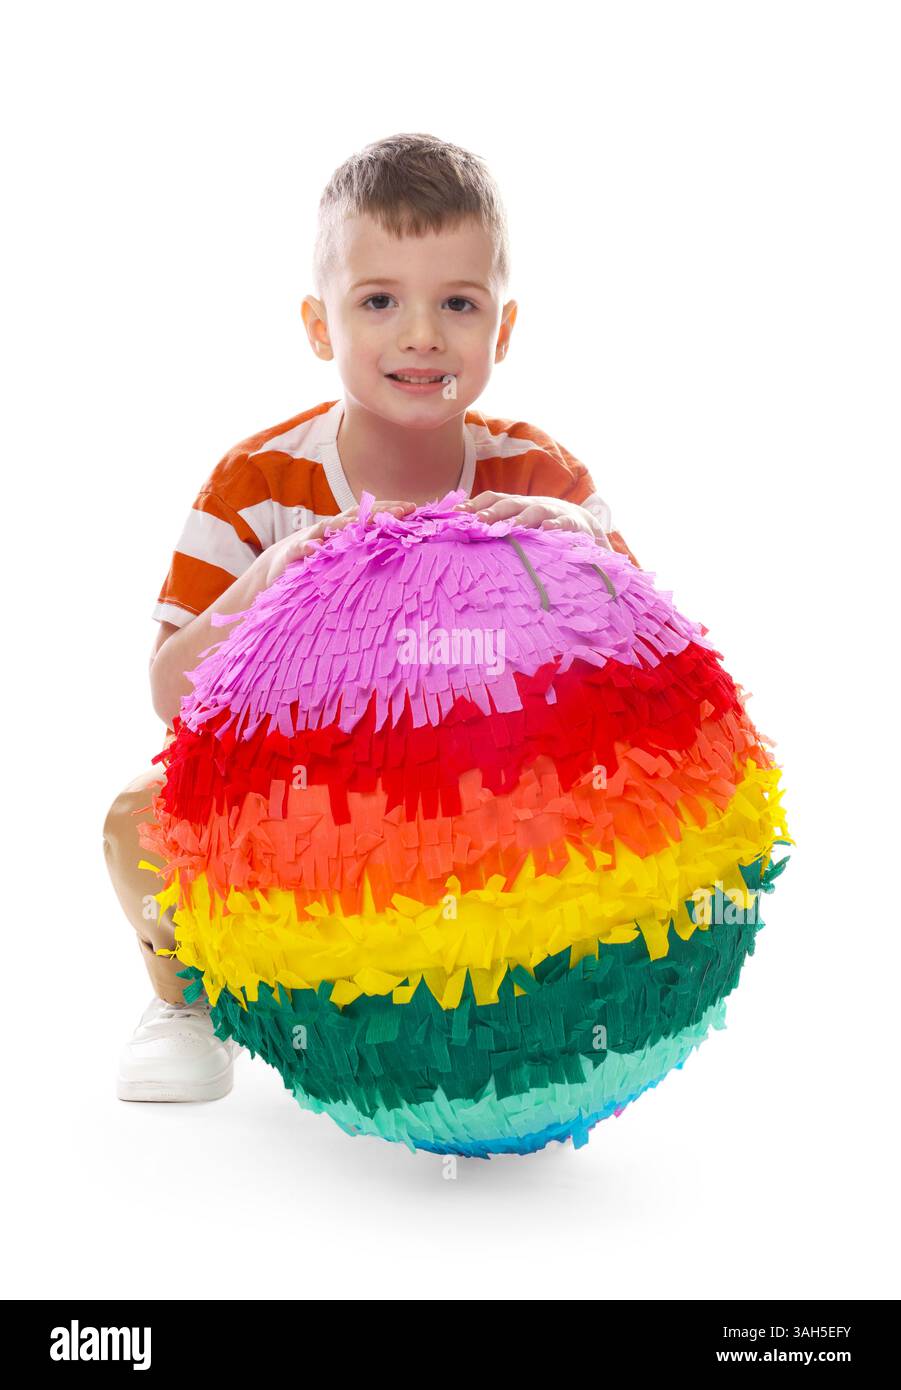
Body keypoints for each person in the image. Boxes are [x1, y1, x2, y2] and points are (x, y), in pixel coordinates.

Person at [103, 131, 639, 1102]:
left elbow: (641, 669)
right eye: (379, 300)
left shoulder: (537, 476)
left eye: (458, 304)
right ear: (320, 324)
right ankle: (187, 1001)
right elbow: (168, 697)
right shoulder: (259, 482)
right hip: (306, 799)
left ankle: (510, 1017)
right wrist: (266, 581)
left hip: (480, 799)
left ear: (502, 330)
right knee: (137, 818)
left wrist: (574, 539)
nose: (421, 335)